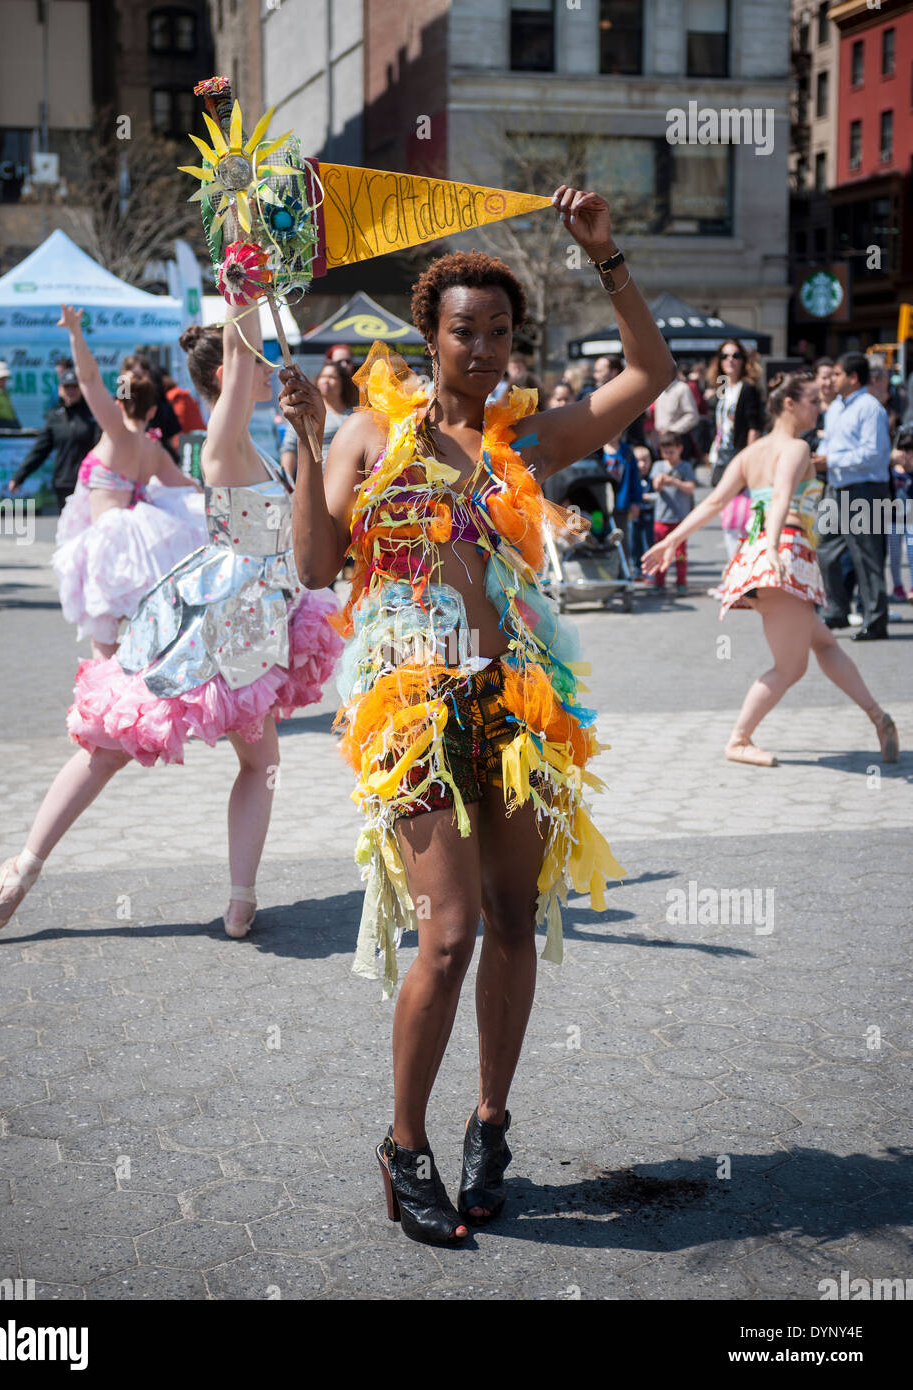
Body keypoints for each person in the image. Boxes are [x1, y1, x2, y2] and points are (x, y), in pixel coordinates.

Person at [286, 185, 674, 1245]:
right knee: (447, 933)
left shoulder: (529, 441)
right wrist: (303, 447)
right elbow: (318, 567)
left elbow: (651, 374)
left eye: (500, 333)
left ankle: (489, 1124)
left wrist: (605, 256)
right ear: (428, 334)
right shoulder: (370, 435)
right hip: (410, 707)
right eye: (465, 332)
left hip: (518, 709)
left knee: (513, 921)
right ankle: (402, 1145)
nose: (485, 349)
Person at [0, 302, 342, 948]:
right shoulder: (224, 438)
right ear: (233, 373)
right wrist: (244, 281)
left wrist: (310, 429)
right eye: (259, 364)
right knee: (114, 744)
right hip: (221, 627)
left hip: (246, 625)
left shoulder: (247, 444)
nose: (271, 373)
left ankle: (234, 902)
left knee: (242, 760)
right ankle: (27, 871)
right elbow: (234, 352)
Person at [643, 373, 898, 768]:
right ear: (790, 405)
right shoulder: (795, 447)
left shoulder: (751, 454)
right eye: (813, 400)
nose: (821, 406)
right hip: (783, 557)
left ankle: (878, 717)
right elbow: (780, 496)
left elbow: (713, 505)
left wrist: (671, 540)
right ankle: (739, 740)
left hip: (767, 558)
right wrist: (776, 544)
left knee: (825, 643)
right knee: (790, 667)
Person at [52, 307, 207, 658]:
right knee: (143, 633)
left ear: (119, 403)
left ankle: (106, 704)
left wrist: (76, 332)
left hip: (109, 540)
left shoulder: (118, 434)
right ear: (153, 411)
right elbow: (188, 485)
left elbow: (89, 380)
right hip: (145, 544)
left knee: (103, 641)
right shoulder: (153, 449)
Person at [817, 353, 891, 641]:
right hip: (837, 487)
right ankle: (836, 610)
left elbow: (873, 453)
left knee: (867, 556)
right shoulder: (836, 407)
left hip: (864, 489)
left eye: (836, 374)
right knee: (825, 549)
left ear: (852, 378)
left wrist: (830, 459)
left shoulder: (870, 408)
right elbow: (832, 442)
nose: (831, 379)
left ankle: (875, 620)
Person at [8, 370, 99, 512]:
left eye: (74, 386)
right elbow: (39, 450)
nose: (70, 391)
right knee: (67, 529)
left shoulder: (92, 415)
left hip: (88, 482)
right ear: (59, 390)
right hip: (63, 482)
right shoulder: (55, 417)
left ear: (81, 389)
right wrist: (19, 476)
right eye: (66, 387)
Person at [707, 338, 763, 558]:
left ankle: (739, 568)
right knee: (727, 514)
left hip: (739, 455)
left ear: (743, 360)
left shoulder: (747, 388)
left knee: (740, 516)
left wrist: (748, 459)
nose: (730, 360)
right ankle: (732, 568)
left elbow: (754, 425)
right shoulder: (722, 388)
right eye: (725, 356)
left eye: (735, 355)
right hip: (721, 455)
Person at [279, 360, 358, 480]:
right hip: (316, 479)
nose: (326, 381)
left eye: (332, 377)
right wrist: (286, 481)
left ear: (342, 383)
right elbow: (289, 447)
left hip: (348, 481)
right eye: (323, 376)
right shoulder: (307, 411)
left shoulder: (354, 414)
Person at [648, 431, 695, 594]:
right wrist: (659, 482)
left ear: (680, 449)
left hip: (680, 519)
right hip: (662, 518)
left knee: (680, 554)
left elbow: (690, 488)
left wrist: (674, 482)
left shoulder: (685, 467)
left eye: (671, 452)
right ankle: (659, 582)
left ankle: (681, 582)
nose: (668, 456)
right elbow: (655, 486)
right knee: (659, 551)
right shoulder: (658, 466)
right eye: (664, 452)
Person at [120, 353, 183, 460]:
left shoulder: (159, 405)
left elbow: (171, 438)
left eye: (143, 374)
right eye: (134, 375)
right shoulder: (120, 403)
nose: (139, 379)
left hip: (155, 459)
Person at [602, 428, 642, 546]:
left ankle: (623, 564)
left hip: (621, 501)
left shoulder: (627, 451)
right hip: (601, 502)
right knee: (602, 536)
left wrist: (636, 501)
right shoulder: (597, 451)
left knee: (621, 538)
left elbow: (635, 478)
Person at [887, 425, 913, 601]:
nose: (906, 454)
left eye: (910, 450)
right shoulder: (891, 472)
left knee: (912, 553)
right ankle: (897, 585)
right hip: (893, 519)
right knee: (895, 556)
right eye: (903, 450)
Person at [653, 363, 699, 459]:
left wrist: (672, 429)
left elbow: (693, 416)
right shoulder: (659, 389)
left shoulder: (682, 388)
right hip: (662, 440)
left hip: (678, 440)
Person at [631, 444, 655, 577]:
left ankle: (649, 570)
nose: (642, 465)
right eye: (638, 461)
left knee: (648, 542)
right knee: (635, 543)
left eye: (645, 461)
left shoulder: (652, 479)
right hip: (635, 515)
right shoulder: (633, 479)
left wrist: (648, 497)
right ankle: (636, 569)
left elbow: (659, 495)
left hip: (649, 515)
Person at [162, 373, 206, 438]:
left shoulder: (175, 397)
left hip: (188, 437)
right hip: (199, 433)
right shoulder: (184, 395)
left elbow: (179, 421)